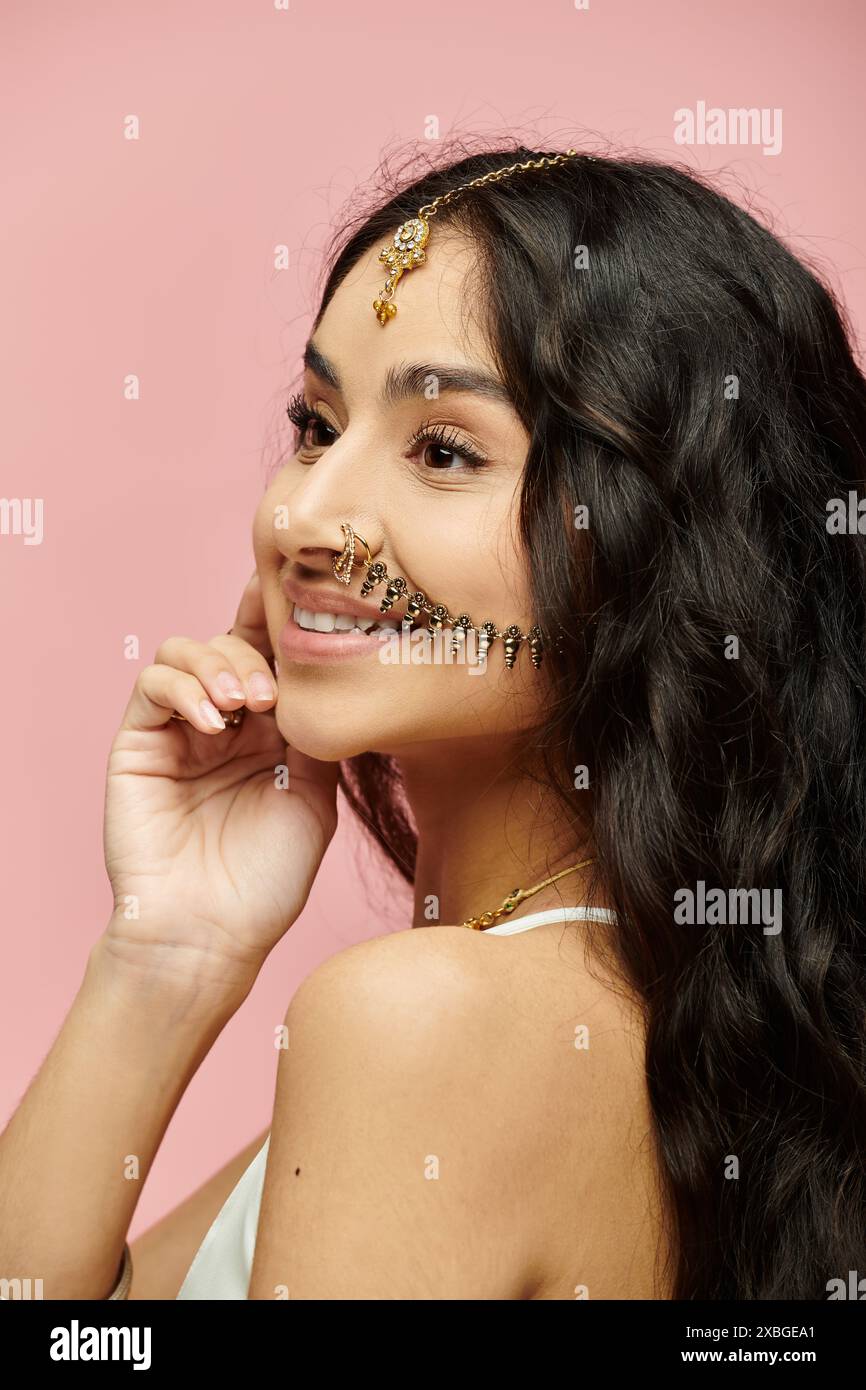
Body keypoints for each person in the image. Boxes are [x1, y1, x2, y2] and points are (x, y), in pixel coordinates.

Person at [2, 140, 866, 1301]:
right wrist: (169, 952)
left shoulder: (420, 1030)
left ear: (655, 541)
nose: (302, 512)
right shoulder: (653, 1010)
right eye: (315, 425)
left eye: (443, 448)